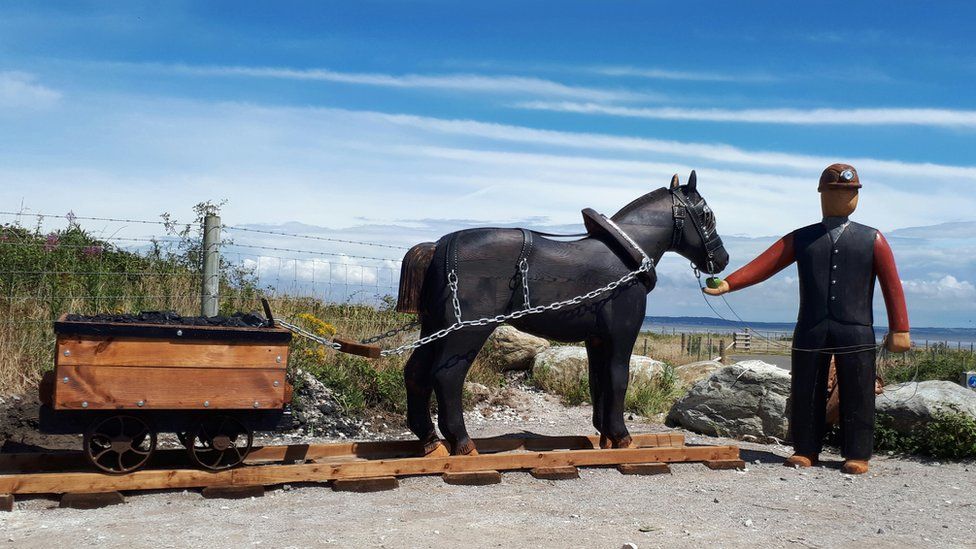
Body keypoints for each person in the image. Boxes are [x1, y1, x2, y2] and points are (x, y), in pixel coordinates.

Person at [704, 164, 910, 474]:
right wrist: (729, 283)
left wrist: (900, 328)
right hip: (811, 327)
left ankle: (857, 453)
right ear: (822, 195)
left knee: (858, 391)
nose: (846, 196)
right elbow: (767, 263)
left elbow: (892, 284)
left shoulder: (872, 239)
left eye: (851, 192)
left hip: (856, 330)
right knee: (806, 389)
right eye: (838, 192)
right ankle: (806, 448)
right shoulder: (803, 238)